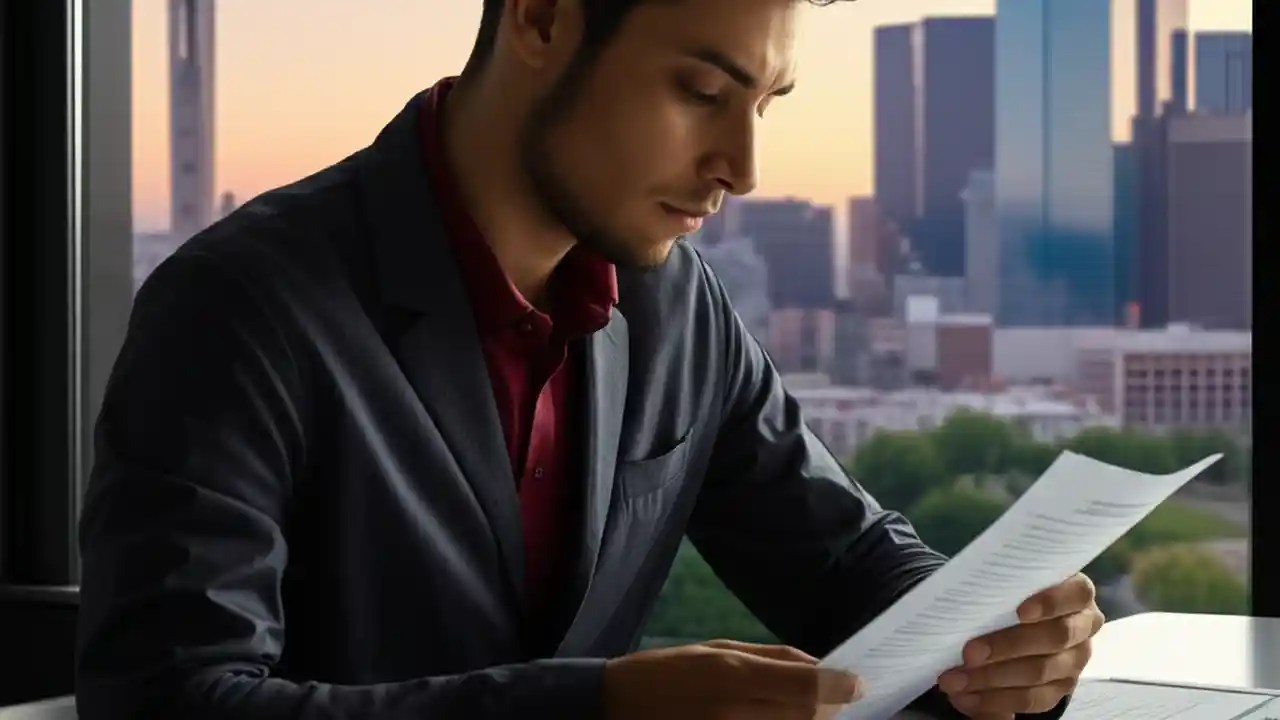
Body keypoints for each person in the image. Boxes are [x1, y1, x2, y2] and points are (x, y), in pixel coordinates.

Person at [75, 0, 1104, 718]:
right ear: (539, 17)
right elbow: (170, 700)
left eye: (764, 104)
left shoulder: (671, 301)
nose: (739, 168)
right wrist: (597, 705)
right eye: (702, 89)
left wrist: (991, 635)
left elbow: (840, 560)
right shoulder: (241, 309)